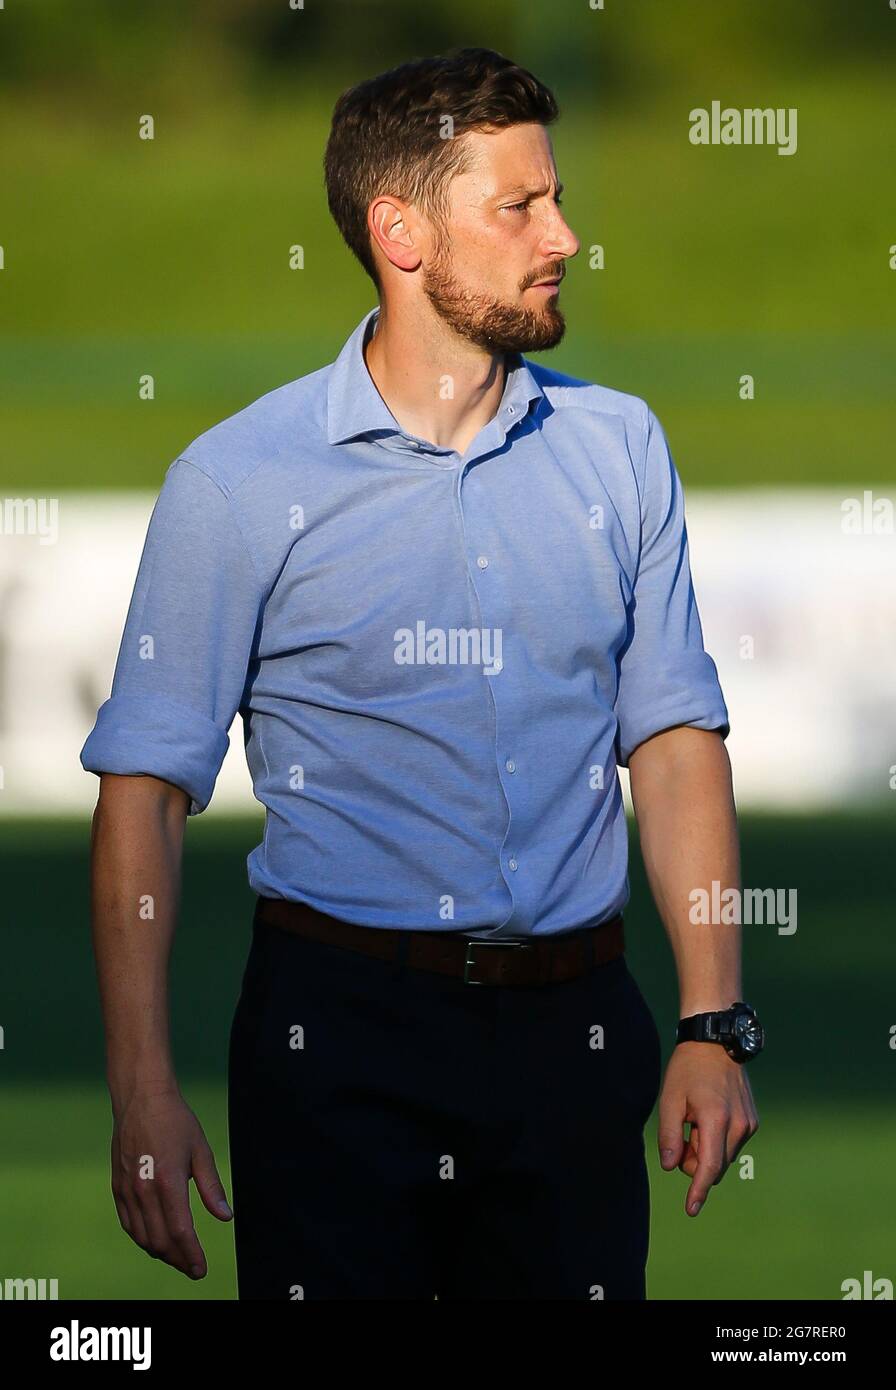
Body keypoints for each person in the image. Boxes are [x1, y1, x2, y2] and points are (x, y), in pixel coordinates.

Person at [80, 46, 760, 1301]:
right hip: (333, 1043)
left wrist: (712, 1024)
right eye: (518, 207)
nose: (563, 234)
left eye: (553, 196)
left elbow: (671, 741)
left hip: (577, 1033)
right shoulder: (237, 482)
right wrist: (142, 1086)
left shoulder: (619, 447)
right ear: (400, 231)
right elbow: (143, 794)